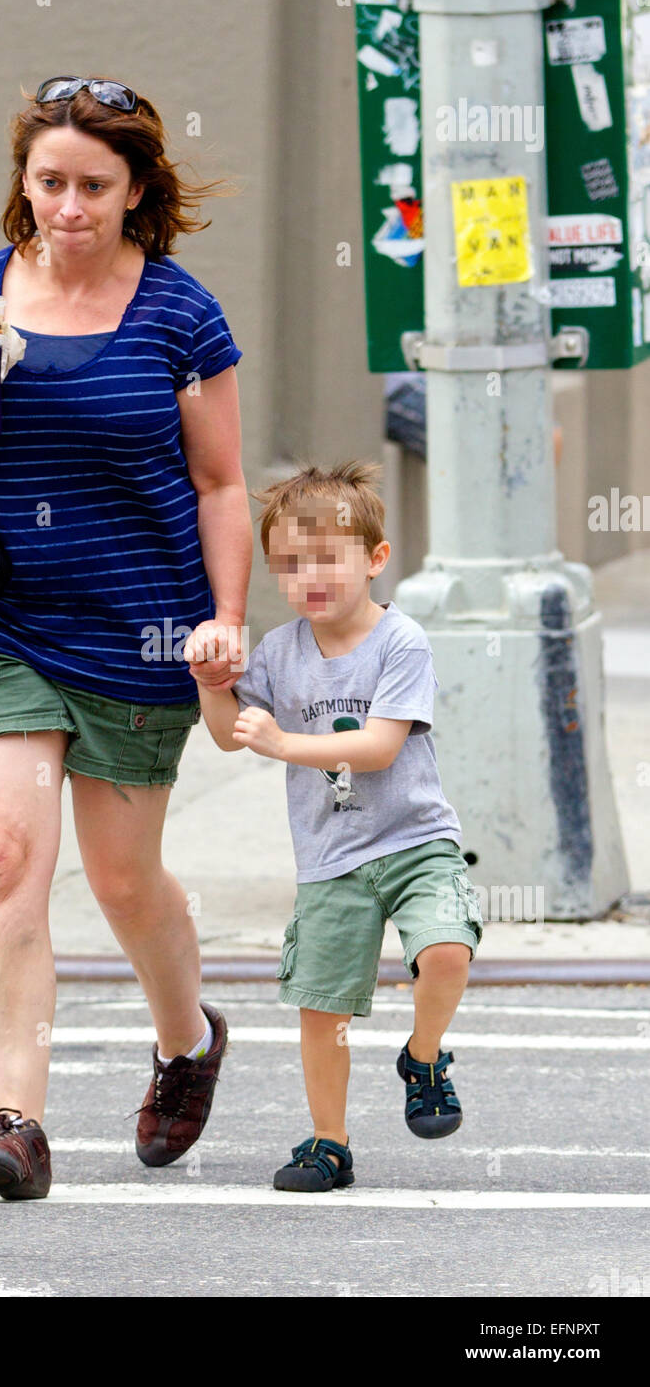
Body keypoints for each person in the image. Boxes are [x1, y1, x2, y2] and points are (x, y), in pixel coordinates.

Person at [0, 76, 252, 1198]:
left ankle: (186, 1039)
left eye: (93, 185)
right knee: (7, 859)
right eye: (49, 182)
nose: (69, 206)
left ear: (135, 187)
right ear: (26, 185)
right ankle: (16, 1120)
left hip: (139, 632)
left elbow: (221, 481)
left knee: (124, 879)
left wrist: (225, 621)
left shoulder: (179, 316)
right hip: (0, 620)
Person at [187, 461, 484, 1192]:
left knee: (446, 951)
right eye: (288, 564)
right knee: (323, 1010)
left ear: (375, 559)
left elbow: (380, 747)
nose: (306, 577)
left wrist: (285, 745)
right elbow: (230, 733)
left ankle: (423, 1056)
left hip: (415, 840)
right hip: (330, 857)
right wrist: (210, 683)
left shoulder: (401, 641)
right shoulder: (281, 652)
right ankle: (329, 1141)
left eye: (325, 559)